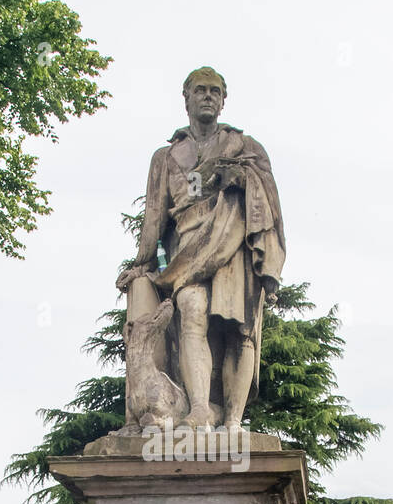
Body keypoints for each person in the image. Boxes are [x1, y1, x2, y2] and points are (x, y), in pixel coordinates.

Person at [116, 67, 285, 433]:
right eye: (200, 90)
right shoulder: (166, 157)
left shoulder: (245, 148)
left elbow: (269, 203)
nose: (207, 96)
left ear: (224, 100)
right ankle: (198, 412)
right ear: (186, 98)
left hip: (233, 248)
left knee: (238, 330)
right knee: (191, 307)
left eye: (214, 91)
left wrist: (240, 178)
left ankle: (234, 422)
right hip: (187, 253)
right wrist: (142, 263)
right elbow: (155, 216)